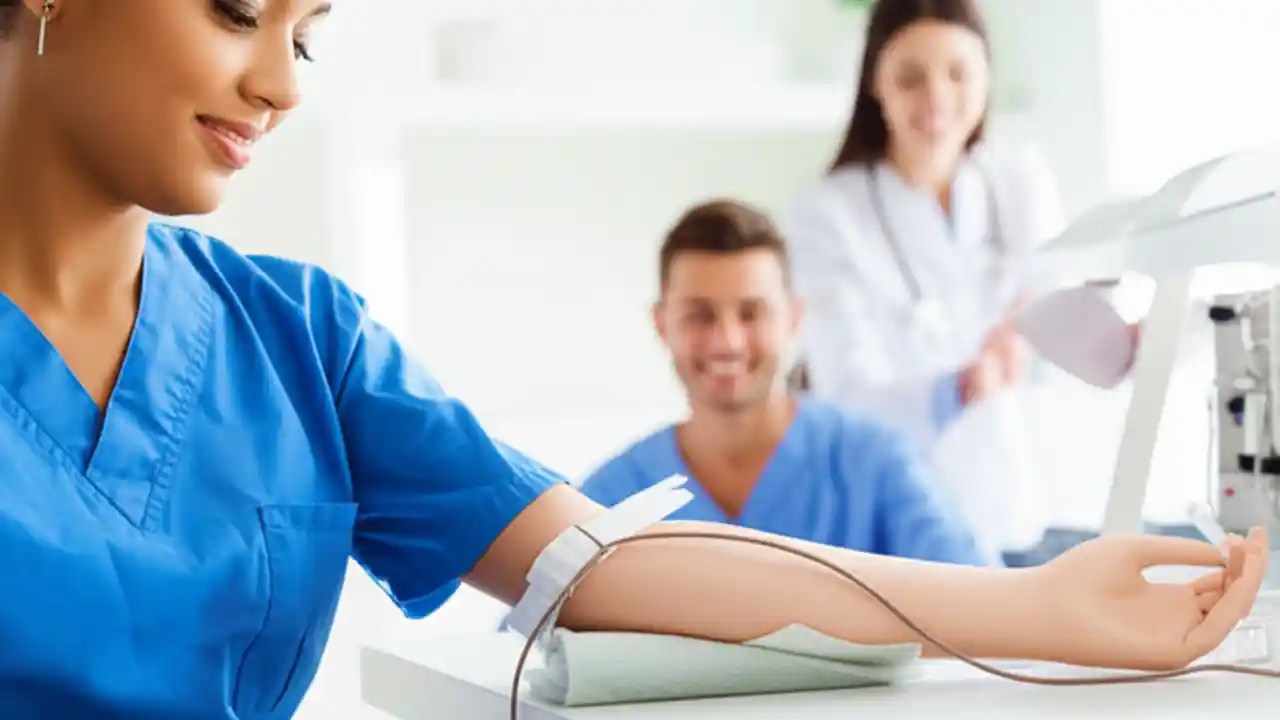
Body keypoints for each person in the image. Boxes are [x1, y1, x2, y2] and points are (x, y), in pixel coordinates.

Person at [0, 2, 1267, 718]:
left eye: (310, 31)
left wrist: (1036, 611)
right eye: (237, 9)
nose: (280, 81)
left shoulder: (299, 339)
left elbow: (597, 562)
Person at [580, 200, 988, 566]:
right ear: (661, 324)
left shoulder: (877, 464)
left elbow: (981, 603)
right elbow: (537, 638)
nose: (728, 342)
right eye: (700, 315)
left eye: (751, 313)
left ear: (793, 319)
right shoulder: (612, 499)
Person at [784, 0, 1066, 447]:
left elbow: (1061, 312)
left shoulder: (1020, 179)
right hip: (898, 476)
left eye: (958, 74)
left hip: (1023, 466)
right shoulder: (826, 212)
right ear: (875, 83)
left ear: (986, 76)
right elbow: (845, 390)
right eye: (910, 78)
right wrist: (957, 390)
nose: (936, 98)